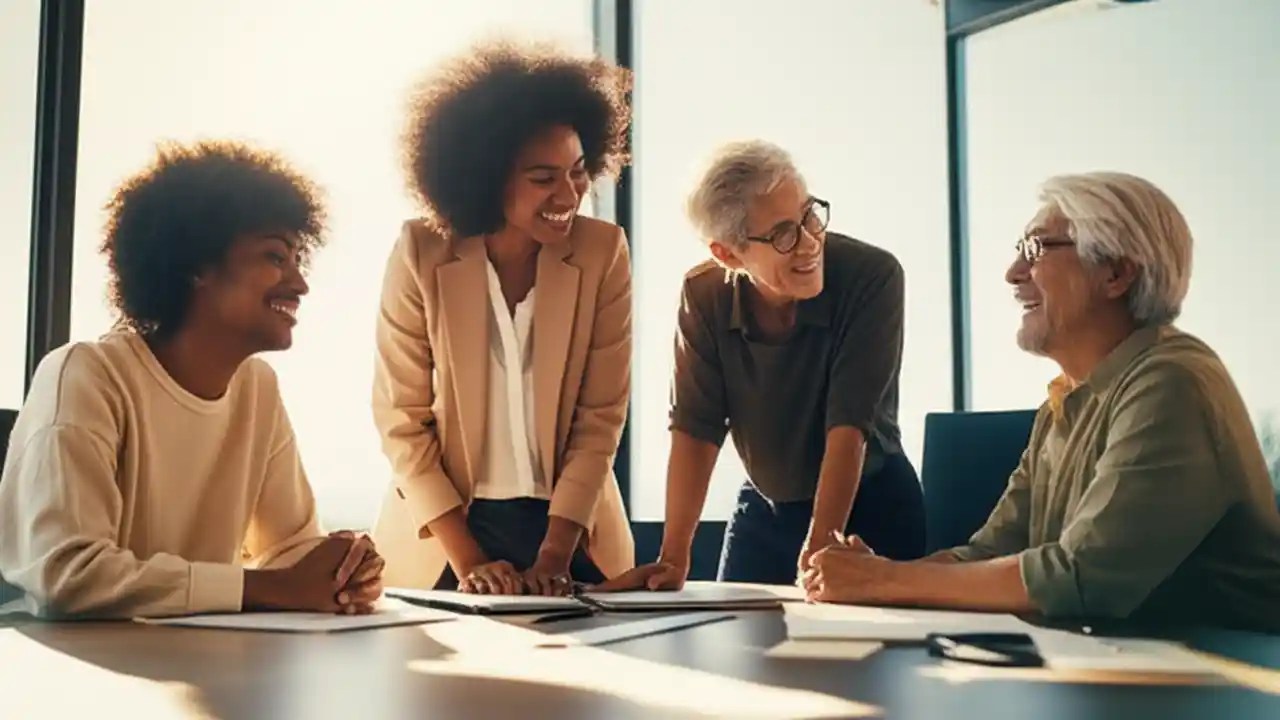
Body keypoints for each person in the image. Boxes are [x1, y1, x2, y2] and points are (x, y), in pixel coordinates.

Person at [804, 172, 1280, 632]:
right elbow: (989, 552)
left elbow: (1082, 577)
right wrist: (875, 575)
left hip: (1230, 678)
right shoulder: (1064, 401)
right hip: (1121, 666)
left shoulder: (1172, 382)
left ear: (1116, 272)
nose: (1013, 274)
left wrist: (886, 580)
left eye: (1035, 249)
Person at [0, 141, 383, 619]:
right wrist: (272, 587)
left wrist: (343, 570)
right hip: (72, 674)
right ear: (196, 265)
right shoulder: (86, 375)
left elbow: (289, 552)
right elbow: (66, 573)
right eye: (274, 257)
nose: (299, 283)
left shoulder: (257, 388)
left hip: (197, 661)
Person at [371, 39, 634, 596]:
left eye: (579, 170)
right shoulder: (421, 252)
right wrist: (469, 560)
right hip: (443, 536)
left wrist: (555, 553)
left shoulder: (603, 252)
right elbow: (401, 421)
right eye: (544, 178)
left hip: (574, 534)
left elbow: (600, 420)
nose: (570, 194)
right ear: (487, 175)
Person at [632, 140, 926, 589]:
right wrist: (673, 556)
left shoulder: (873, 276)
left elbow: (849, 426)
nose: (809, 243)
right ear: (728, 254)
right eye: (784, 234)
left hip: (872, 507)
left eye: (810, 216)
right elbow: (696, 427)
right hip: (766, 508)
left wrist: (823, 541)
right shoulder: (704, 295)